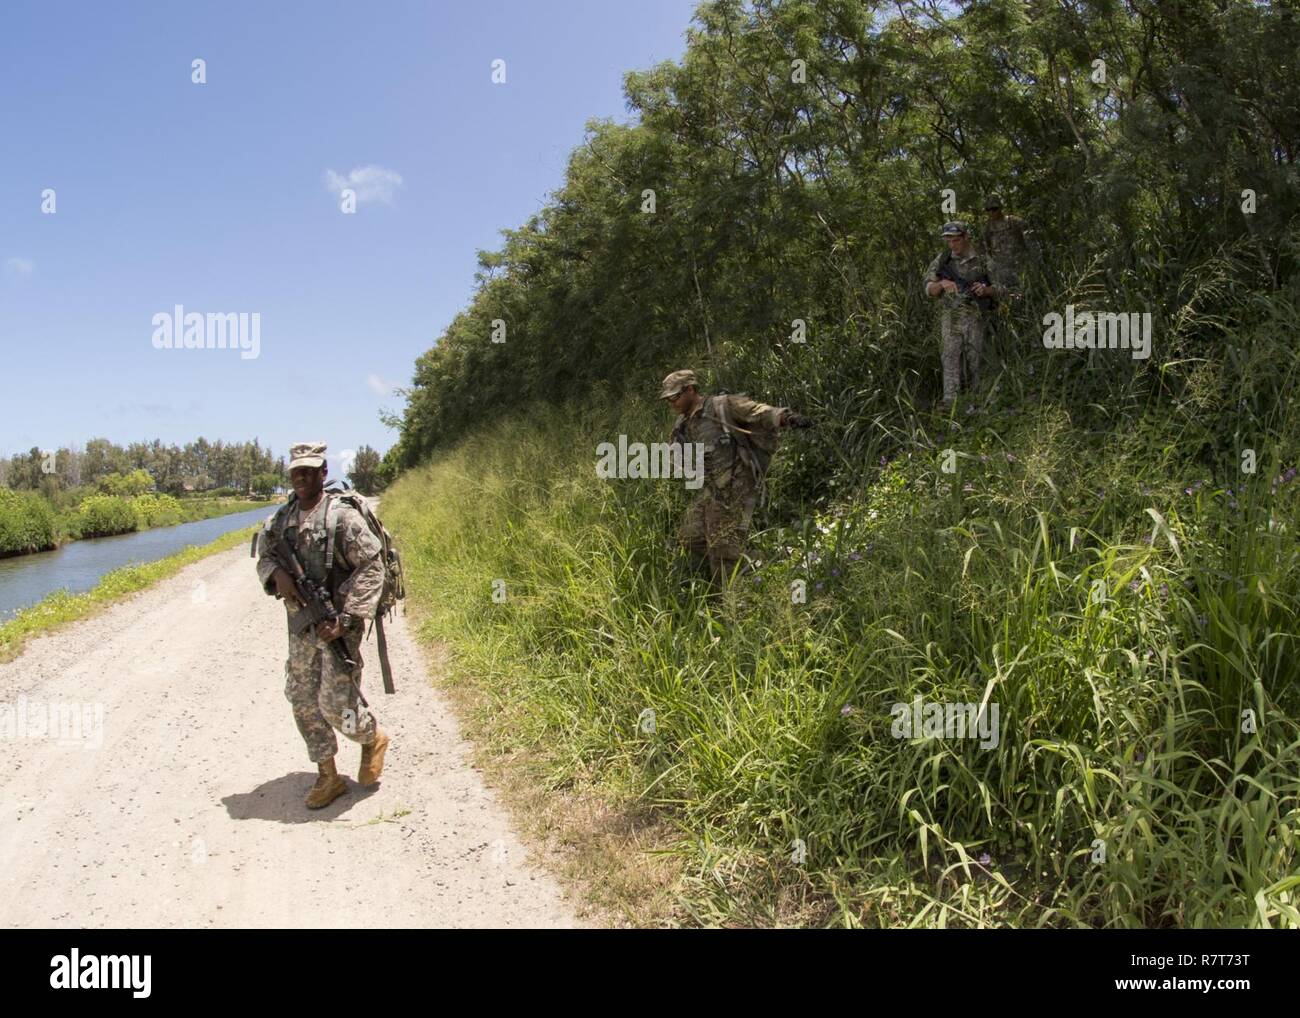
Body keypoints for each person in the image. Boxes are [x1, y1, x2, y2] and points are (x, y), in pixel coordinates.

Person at [254, 442, 390, 809]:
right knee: (301, 698)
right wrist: (275, 574)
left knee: (334, 705)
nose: (301, 477)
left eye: (308, 471)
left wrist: (347, 619)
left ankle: (371, 736)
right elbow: (263, 557)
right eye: (296, 472)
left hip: (339, 622)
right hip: (301, 625)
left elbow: (372, 566)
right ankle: (328, 776)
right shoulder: (280, 521)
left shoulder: (341, 517)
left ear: (322, 473)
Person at [661, 370, 811, 591]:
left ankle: (730, 607)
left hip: (737, 486)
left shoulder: (721, 406)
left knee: (721, 553)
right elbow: (674, 456)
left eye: (675, 396)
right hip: (711, 490)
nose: (671, 402)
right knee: (689, 537)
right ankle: (762, 559)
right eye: (668, 399)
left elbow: (757, 412)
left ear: (690, 390)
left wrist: (786, 418)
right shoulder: (682, 424)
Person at [923, 222, 1004, 409]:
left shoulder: (983, 260)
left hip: (977, 315)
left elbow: (1003, 288)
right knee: (949, 356)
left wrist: (986, 290)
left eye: (956, 240)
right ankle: (952, 403)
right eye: (949, 240)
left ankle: (985, 401)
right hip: (951, 317)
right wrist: (941, 284)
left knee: (978, 358)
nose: (953, 245)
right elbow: (928, 288)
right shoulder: (943, 260)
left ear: (966, 237)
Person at [980, 193, 1038, 295]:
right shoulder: (987, 230)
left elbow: (1033, 246)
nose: (991, 212)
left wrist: (1035, 268)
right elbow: (986, 253)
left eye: (994, 208)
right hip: (1001, 276)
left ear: (1000, 207)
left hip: (1021, 272)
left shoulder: (1016, 222)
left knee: (1028, 298)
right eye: (988, 209)